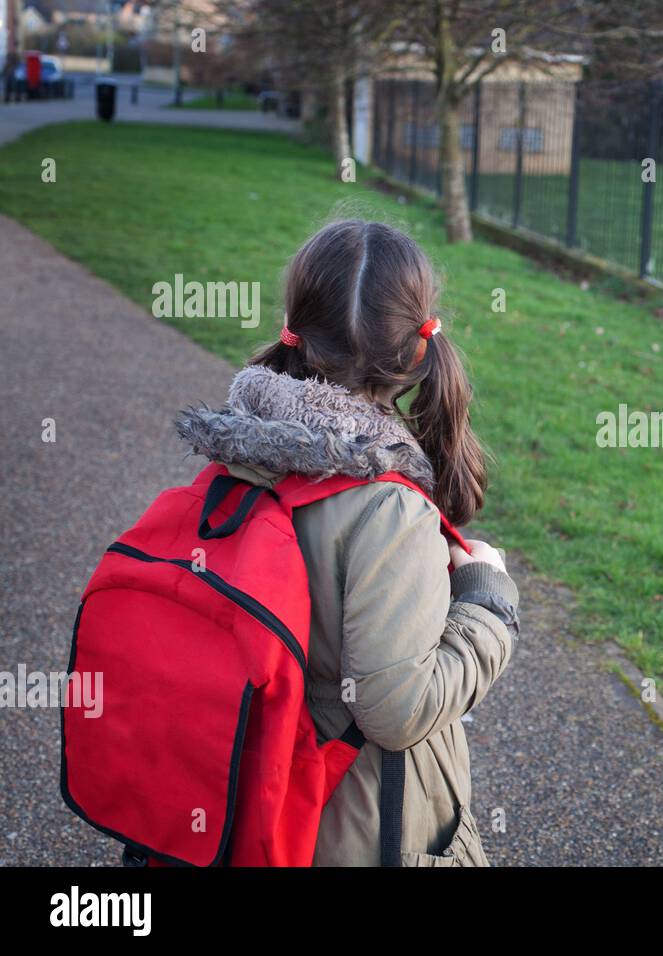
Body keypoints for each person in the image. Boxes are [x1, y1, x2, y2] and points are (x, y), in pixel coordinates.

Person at [175, 219, 519, 866]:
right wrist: (488, 603)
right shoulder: (389, 509)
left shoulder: (240, 450)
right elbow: (395, 710)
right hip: (354, 827)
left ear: (294, 330)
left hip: (246, 798)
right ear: (419, 352)